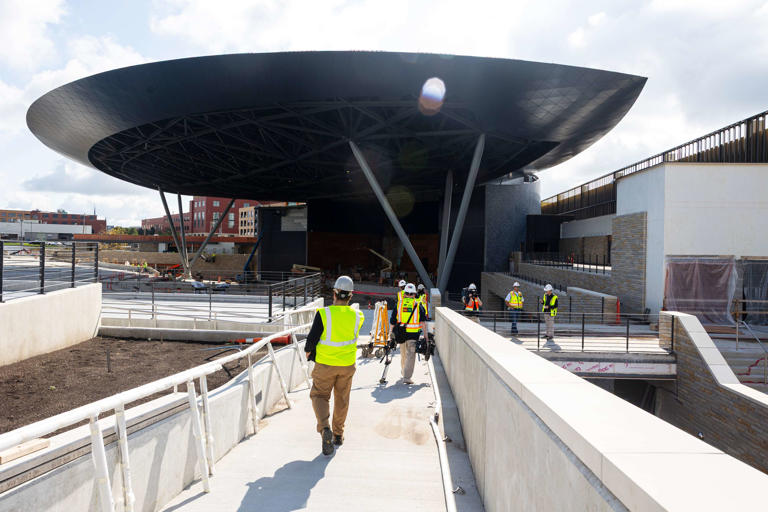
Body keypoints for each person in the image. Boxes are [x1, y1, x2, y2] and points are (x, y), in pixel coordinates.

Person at [304, 275, 364, 455]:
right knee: (342, 398)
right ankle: (338, 434)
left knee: (320, 396)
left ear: (335, 293)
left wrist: (309, 353)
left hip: (325, 364)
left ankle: (324, 429)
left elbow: (311, 341)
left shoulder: (324, 314)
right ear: (351, 296)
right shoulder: (357, 316)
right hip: (347, 365)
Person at [389, 283, 427, 385]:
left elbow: (392, 321)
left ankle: (403, 371)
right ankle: (406, 377)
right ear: (414, 294)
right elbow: (423, 323)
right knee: (410, 356)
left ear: (404, 293)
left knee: (403, 354)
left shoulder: (399, 304)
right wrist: (426, 337)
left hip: (401, 334)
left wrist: (390, 335)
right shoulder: (418, 305)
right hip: (413, 335)